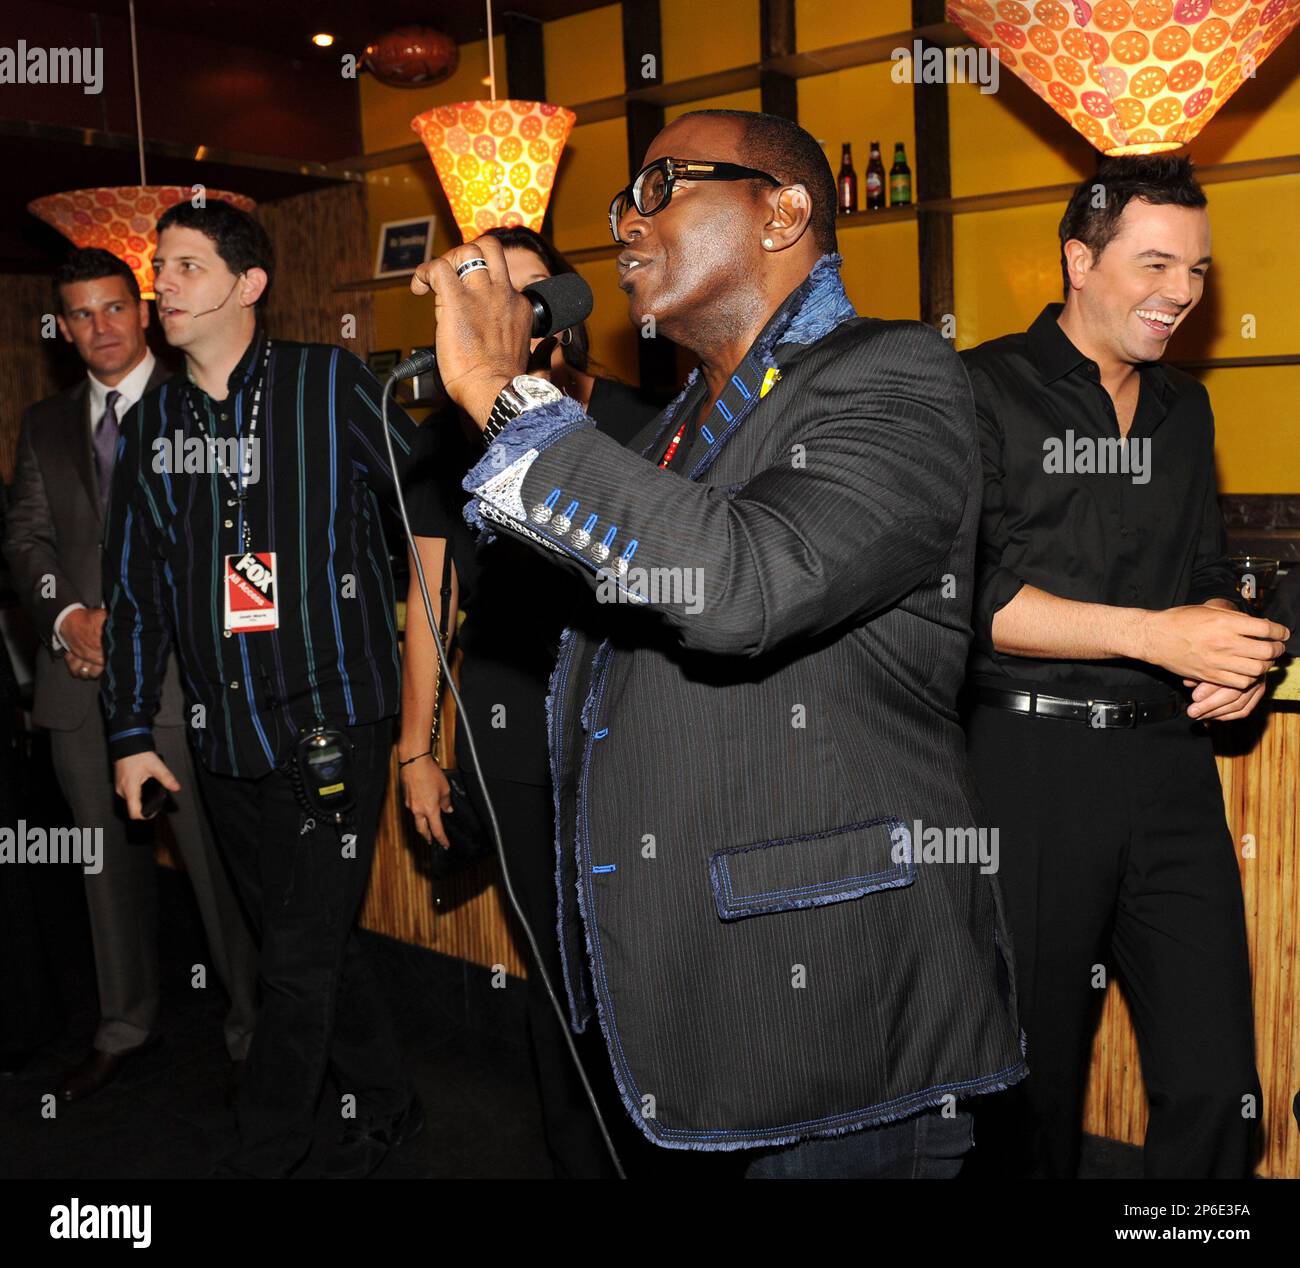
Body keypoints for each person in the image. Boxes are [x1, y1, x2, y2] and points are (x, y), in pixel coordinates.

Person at [410, 108, 1026, 1178]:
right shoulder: (672, 425)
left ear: (783, 210)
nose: (626, 228)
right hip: (697, 998)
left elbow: (745, 582)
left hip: (832, 1002)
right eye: (620, 205)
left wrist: (503, 398)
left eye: (661, 190)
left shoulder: (898, 378)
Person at [960, 156, 1286, 1178]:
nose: (1181, 292)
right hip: (1026, 765)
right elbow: (968, 598)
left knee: (1215, 1081)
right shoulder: (978, 387)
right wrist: (1155, 635)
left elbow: (1198, 578)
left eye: (1194, 268)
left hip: (1170, 770)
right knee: (1030, 1086)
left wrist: (1239, 660)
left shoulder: (1184, 409)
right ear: (1078, 259)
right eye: (1154, 263)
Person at [99, 201, 430, 1179]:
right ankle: (394, 1098)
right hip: (222, 733)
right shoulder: (154, 417)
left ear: (250, 285)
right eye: (161, 266)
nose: (164, 284)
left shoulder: (329, 384)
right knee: (311, 939)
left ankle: (266, 1148)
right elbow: (133, 583)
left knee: (292, 959)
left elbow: (433, 510)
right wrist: (127, 729)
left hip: (333, 715)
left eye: (189, 266)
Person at [400, 225, 660, 1178]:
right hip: (508, 726)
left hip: (630, 723)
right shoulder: (444, 437)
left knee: (633, 962)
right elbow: (434, 601)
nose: (503, 305)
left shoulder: (642, 417)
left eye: (526, 287)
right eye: (486, 289)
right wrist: (415, 750)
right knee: (555, 973)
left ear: (565, 307)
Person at [3, 247, 257, 1102]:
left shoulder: (205, 402)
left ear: (144, 311)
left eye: (113, 308)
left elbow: (236, 537)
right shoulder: (45, 423)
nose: (98, 327)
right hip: (80, 683)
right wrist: (69, 617)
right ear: (63, 327)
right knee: (103, 871)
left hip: (186, 685)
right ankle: (123, 1025)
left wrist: (147, 625)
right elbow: (26, 541)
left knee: (214, 871)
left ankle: (254, 1033)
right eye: (79, 314)